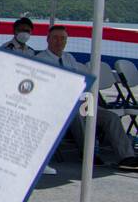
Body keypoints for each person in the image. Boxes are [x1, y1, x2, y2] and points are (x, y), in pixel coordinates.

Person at [37, 26, 138, 170]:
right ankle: (88, 153)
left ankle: (126, 156)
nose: (59, 41)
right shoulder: (40, 60)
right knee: (77, 115)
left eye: (63, 38)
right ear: (47, 39)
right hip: (56, 104)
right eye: (55, 38)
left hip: (79, 100)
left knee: (110, 117)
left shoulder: (69, 58)